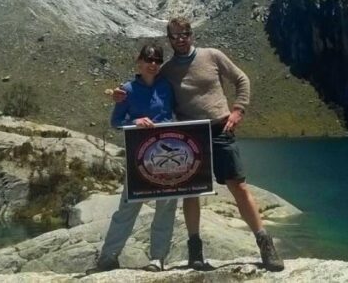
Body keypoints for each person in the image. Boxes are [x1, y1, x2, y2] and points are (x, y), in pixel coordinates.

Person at [113, 17, 285, 272]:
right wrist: (120, 95)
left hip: (220, 128)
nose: (181, 38)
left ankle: (264, 243)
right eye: (175, 35)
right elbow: (146, 84)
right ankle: (195, 250)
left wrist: (238, 110)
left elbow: (242, 80)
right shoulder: (168, 69)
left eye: (185, 33)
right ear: (169, 39)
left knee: (238, 185)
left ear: (192, 35)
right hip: (189, 135)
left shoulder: (212, 55)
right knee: (192, 192)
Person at [93, 44, 178, 273]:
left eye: (157, 60)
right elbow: (116, 122)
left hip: (166, 156)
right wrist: (135, 122)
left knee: (166, 208)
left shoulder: (166, 87)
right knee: (128, 208)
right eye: (148, 59)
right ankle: (108, 257)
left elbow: (175, 113)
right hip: (139, 157)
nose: (153, 64)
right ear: (138, 62)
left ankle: (158, 258)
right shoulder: (127, 90)